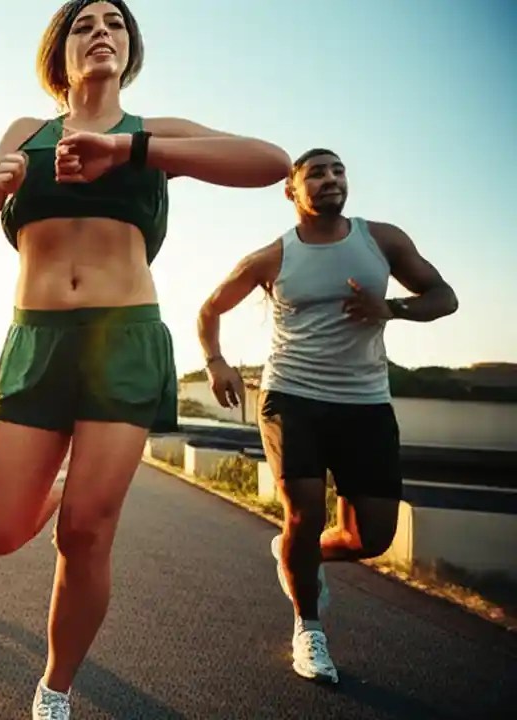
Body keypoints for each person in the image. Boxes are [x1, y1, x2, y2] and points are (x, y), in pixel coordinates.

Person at [0, 1, 291, 717]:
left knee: (84, 533)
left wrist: (135, 153)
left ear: (128, 49)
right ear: (60, 51)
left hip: (123, 336)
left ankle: (54, 687)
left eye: (115, 23)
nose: (101, 30)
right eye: (84, 23)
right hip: (36, 340)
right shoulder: (26, 131)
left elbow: (271, 163)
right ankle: (72, 480)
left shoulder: (151, 133)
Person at [197, 147, 458, 684]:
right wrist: (216, 362)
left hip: (365, 402)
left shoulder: (382, 240)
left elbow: (444, 296)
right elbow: (210, 309)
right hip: (292, 397)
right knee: (304, 512)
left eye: (338, 170)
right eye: (315, 172)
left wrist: (394, 308)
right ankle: (308, 629)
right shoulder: (272, 257)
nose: (330, 179)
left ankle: (297, 554)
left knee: (373, 538)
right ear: (291, 191)